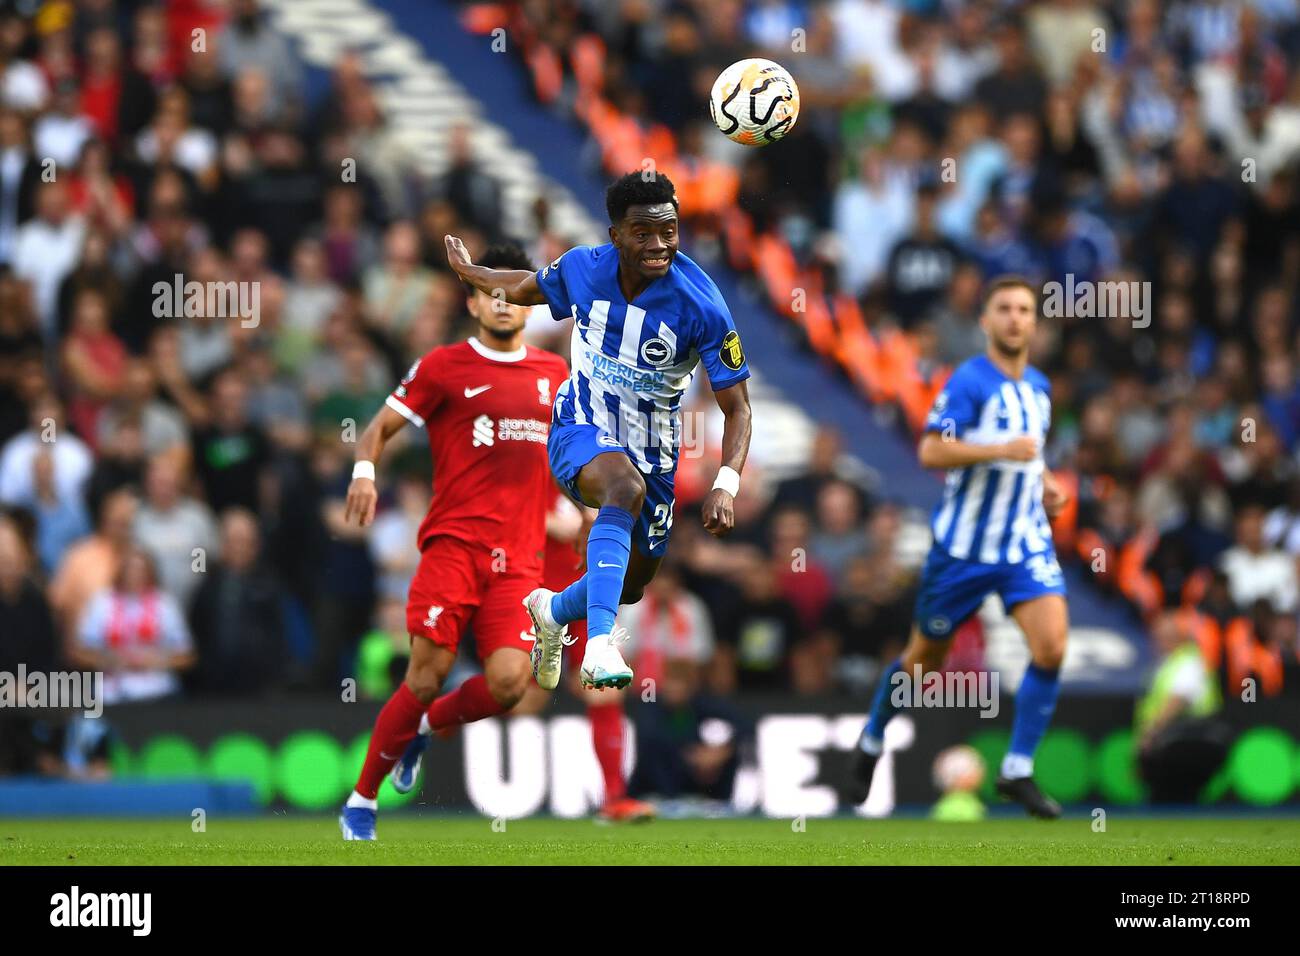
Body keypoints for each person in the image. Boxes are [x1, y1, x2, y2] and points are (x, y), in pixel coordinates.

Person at [444, 170, 753, 693]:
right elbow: (523, 288)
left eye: (669, 231)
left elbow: (739, 409)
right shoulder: (584, 267)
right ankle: (601, 644)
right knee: (621, 489)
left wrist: (726, 483)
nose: (659, 245)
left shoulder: (703, 306)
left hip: (654, 453)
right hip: (578, 429)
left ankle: (552, 610)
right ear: (616, 235)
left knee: (633, 581)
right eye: (643, 233)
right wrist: (470, 270)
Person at [339, 244, 570, 841]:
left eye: (511, 294)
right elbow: (379, 428)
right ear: (471, 303)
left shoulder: (556, 376)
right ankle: (362, 800)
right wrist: (365, 471)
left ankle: (425, 729)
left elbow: (577, 455)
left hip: (521, 560)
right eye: (487, 293)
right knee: (423, 677)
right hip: (454, 549)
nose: (500, 304)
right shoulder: (443, 366)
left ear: (529, 303)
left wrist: (587, 505)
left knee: (511, 683)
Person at [848, 277, 1071, 818]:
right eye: (1005, 309)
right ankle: (873, 739)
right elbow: (930, 450)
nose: (1016, 318)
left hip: (1022, 544)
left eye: (1025, 309)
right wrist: (999, 448)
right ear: (986, 322)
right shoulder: (970, 382)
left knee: (1052, 647)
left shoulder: (1039, 387)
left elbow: (1028, 457)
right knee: (924, 662)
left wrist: (1045, 486)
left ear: (1034, 322)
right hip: (964, 550)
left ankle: (1016, 770)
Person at [1135, 612, 1229, 803]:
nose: (1155, 641)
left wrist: (1150, 732)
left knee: (1177, 798)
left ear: (1174, 638)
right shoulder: (1165, 664)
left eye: (1159, 636)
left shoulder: (1188, 662)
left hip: (1187, 741)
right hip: (1174, 740)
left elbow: (1178, 699)